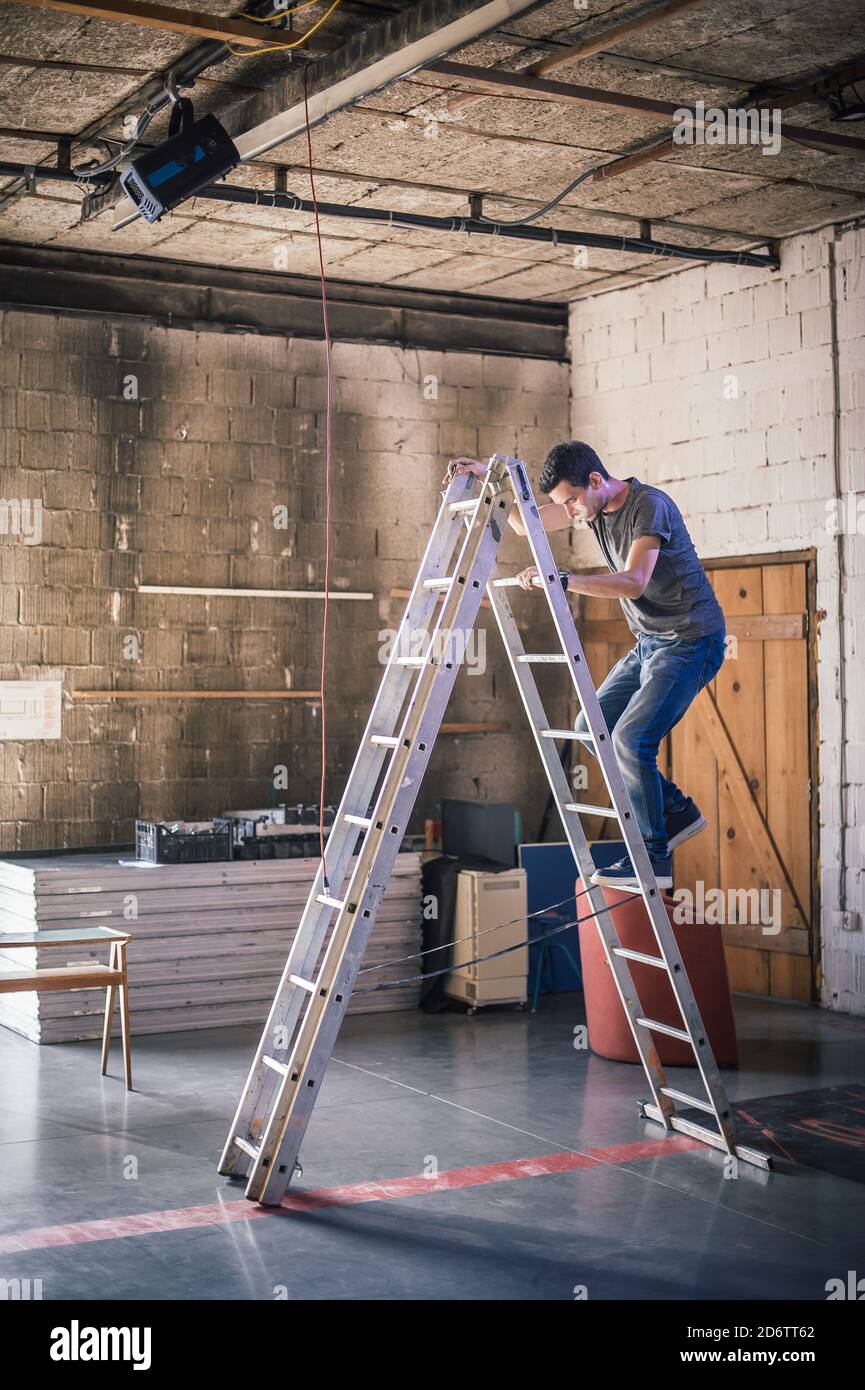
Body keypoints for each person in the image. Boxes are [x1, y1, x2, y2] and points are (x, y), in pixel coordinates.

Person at [444, 442, 726, 889]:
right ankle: (675, 811)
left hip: (692, 640)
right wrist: (485, 474)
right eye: (563, 504)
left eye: (571, 500)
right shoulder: (586, 506)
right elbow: (523, 524)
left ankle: (654, 859)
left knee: (631, 740)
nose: (569, 511)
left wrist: (562, 580)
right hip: (651, 642)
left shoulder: (648, 507)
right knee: (589, 728)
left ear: (596, 480)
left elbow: (634, 583)